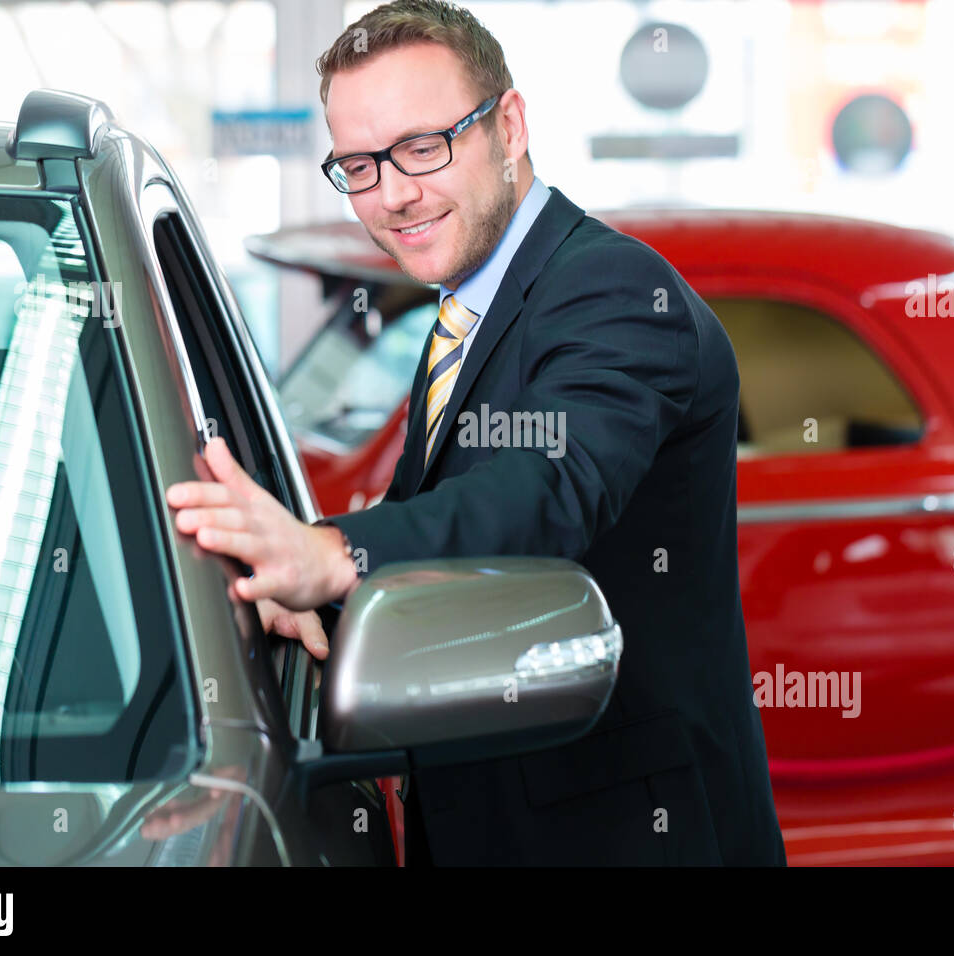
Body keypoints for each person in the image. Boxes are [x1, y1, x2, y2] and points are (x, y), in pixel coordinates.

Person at [167, 0, 786, 867]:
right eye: (360, 163)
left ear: (510, 125)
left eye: (424, 147)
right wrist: (310, 600)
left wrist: (333, 555)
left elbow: (545, 491)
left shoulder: (610, 289)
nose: (393, 192)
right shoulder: (464, 309)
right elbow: (456, 550)